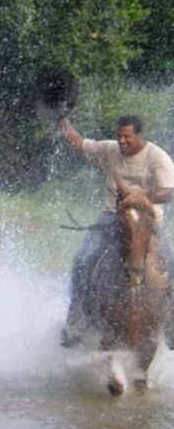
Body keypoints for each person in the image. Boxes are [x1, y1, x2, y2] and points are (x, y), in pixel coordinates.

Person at [58, 114, 174, 348]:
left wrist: (139, 197)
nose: (122, 141)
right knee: (82, 259)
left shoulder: (157, 157)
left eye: (127, 137)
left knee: (171, 263)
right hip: (112, 216)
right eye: (119, 136)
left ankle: (170, 326)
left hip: (147, 220)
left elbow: (169, 191)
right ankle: (76, 320)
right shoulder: (109, 150)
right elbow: (79, 143)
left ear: (139, 136)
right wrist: (61, 119)